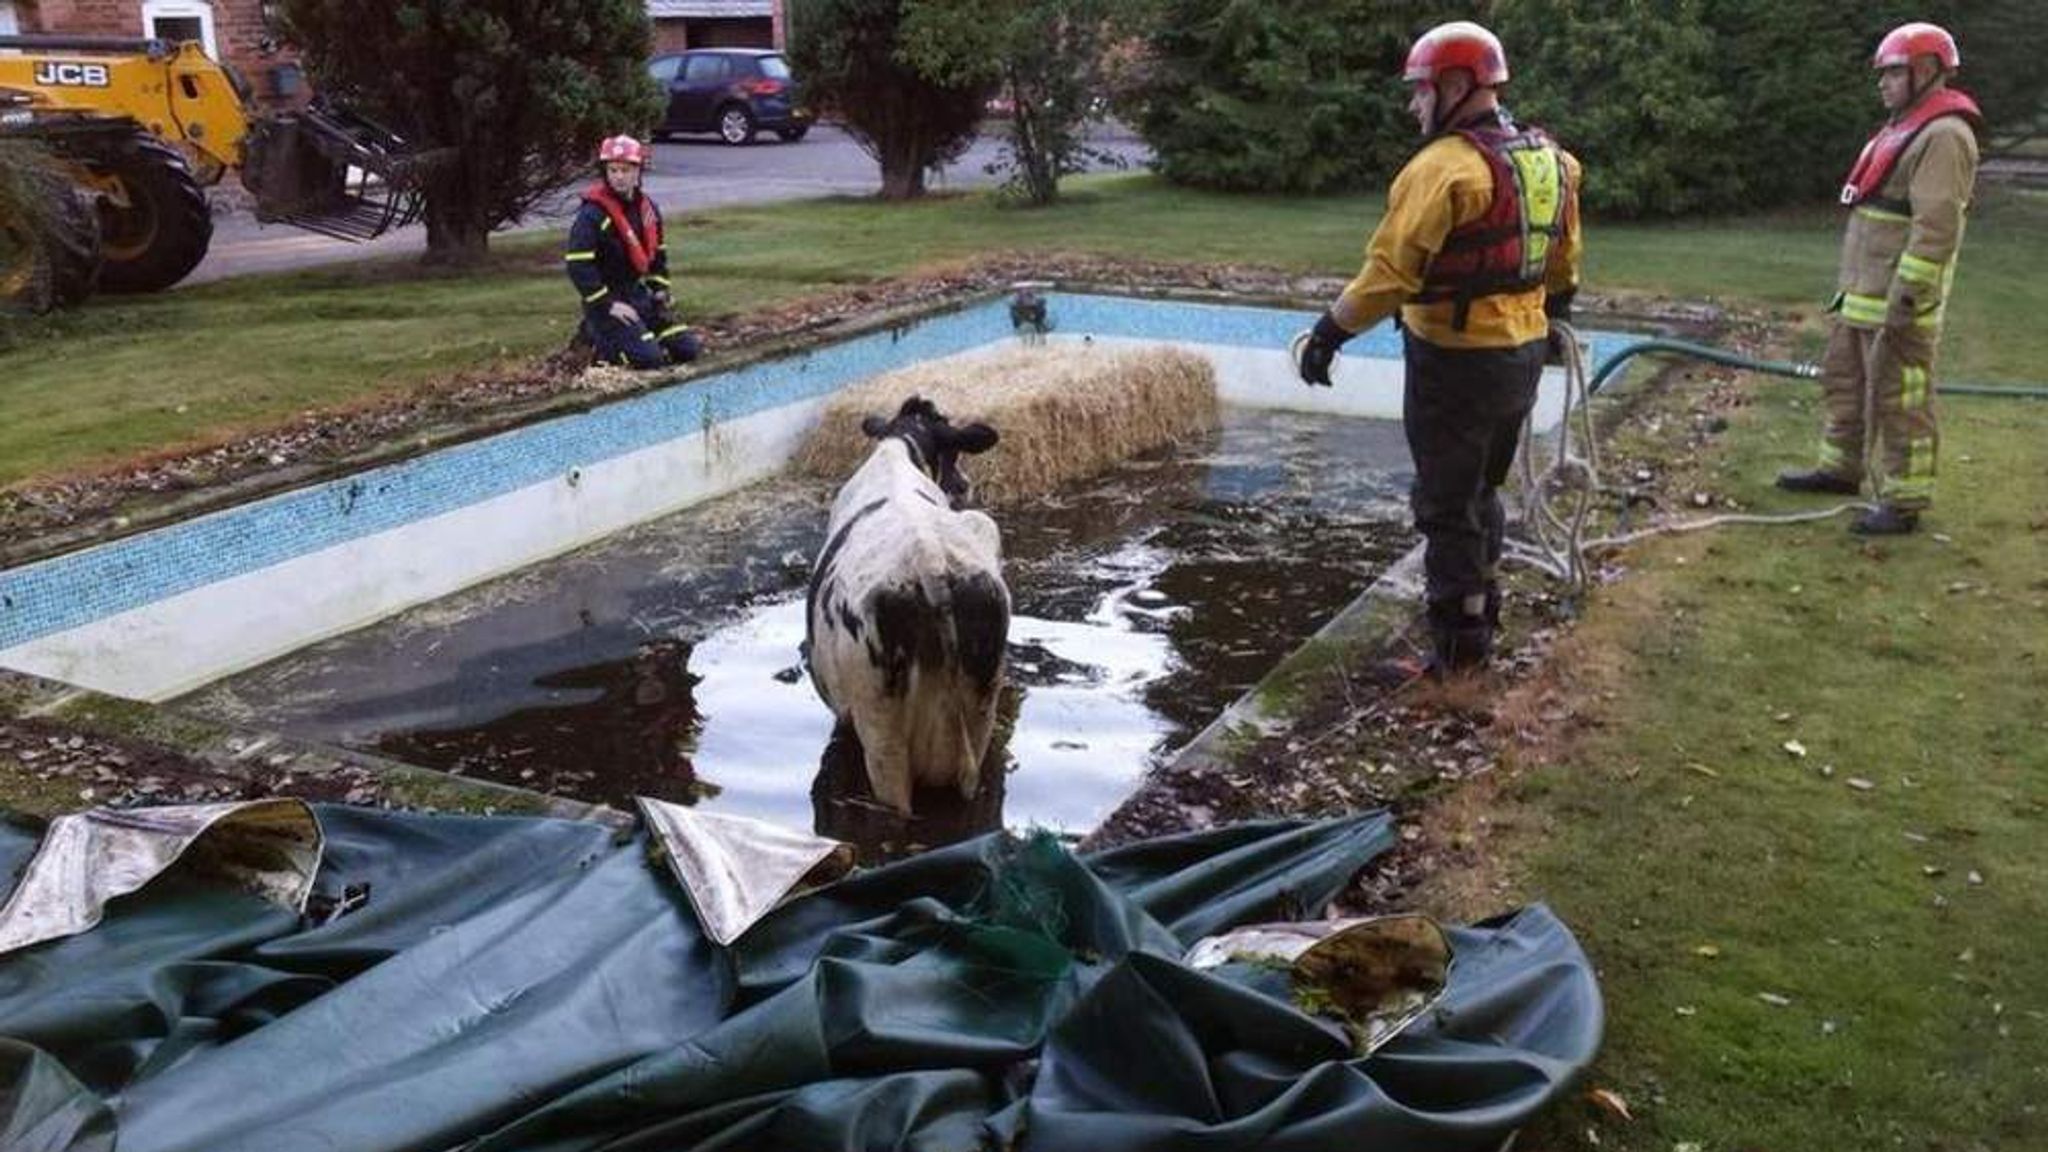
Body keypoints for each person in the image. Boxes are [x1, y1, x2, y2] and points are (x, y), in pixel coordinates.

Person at [1292, 21, 1581, 677]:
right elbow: (1564, 264)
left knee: (1446, 504)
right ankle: (1480, 620)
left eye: (1421, 91)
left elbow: (1389, 276)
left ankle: (1457, 658)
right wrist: (1551, 323)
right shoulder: (1551, 160)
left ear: (1456, 85)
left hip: (1455, 363)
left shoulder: (1441, 169)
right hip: (1522, 357)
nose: (1414, 106)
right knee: (1483, 491)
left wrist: (1328, 334)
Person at [1775, 22, 1980, 535]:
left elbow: (1935, 230)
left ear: (1927, 70)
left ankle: (1905, 501)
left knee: (1900, 398)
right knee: (1845, 385)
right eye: (1883, 74)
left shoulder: (1945, 136)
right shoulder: (1901, 128)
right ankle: (1839, 471)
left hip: (1898, 303)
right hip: (1861, 297)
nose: (1883, 83)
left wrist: (1908, 300)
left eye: (1893, 72)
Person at [564, 135, 701, 369]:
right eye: (613, 170)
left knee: (687, 349)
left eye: (625, 170)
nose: (618, 177)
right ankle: (594, 337)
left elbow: (658, 256)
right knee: (648, 359)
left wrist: (660, 291)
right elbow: (578, 265)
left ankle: (631, 335)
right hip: (607, 301)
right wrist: (607, 303)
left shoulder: (648, 211)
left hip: (638, 295)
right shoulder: (592, 215)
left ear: (638, 171)